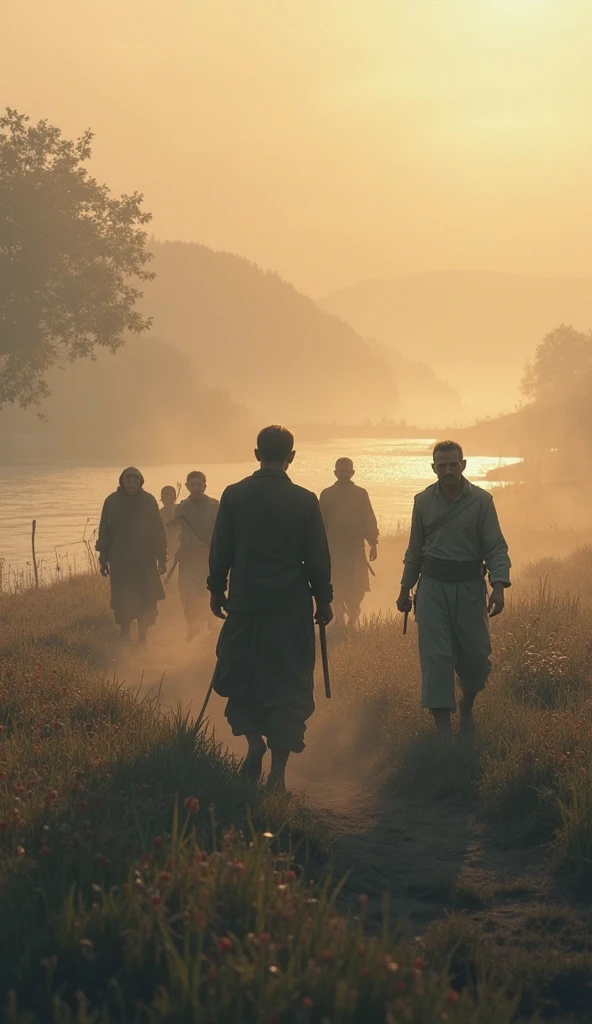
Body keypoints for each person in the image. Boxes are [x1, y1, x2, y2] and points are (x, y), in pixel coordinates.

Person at [207, 425, 333, 791]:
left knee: (242, 675)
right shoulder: (306, 500)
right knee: (289, 684)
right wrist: (323, 599)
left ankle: (253, 745)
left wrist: (216, 589)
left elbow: (221, 552)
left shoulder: (233, 496)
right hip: (290, 610)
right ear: (291, 457)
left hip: (244, 606)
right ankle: (277, 774)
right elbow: (318, 559)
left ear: (256, 453)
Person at [396, 441, 511, 739]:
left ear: (464, 464)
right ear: (433, 467)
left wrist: (498, 587)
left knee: (475, 657)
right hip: (432, 589)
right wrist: (405, 588)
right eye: (441, 465)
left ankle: (467, 705)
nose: (447, 470)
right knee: (437, 658)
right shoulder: (422, 501)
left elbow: (496, 548)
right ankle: (444, 732)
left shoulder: (482, 502)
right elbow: (415, 551)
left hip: (471, 588)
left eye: (453, 464)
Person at [96, 467, 167, 645]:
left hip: (144, 558)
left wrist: (161, 556)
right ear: (122, 482)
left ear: (140, 483)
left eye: (136, 481)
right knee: (123, 597)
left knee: (146, 596)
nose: (132, 484)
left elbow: (158, 530)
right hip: (120, 559)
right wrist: (103, 559)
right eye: (129, 481)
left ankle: (143, 635)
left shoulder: (149, 501)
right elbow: (104, 531)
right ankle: (125, 633)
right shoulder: (111, 502)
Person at [319, 457, 378, 627]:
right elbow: (320, 522)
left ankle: (352, 618)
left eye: (347, 471)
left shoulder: (361, 493)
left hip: (355, 548)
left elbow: (368, 519)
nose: (344, 474)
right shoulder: (326, 494)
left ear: (353, 473)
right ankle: (338, 617)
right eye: (341, 471)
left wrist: (373, 544)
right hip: (333, 548)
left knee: (357, 587)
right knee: (335, 584)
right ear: (335, 473)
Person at [174, 471, 220, 640]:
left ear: (204, 486)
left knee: (207, 590)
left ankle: (208, 622)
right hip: (188, 555)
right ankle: (192, 625)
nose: (195, 488)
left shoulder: (215, 506)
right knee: (187, 591)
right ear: (187, 486)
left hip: (208, 556)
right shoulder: (180, 508)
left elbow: (221, 531)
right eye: (192, 485)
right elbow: (175, 532)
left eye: (198, 485)